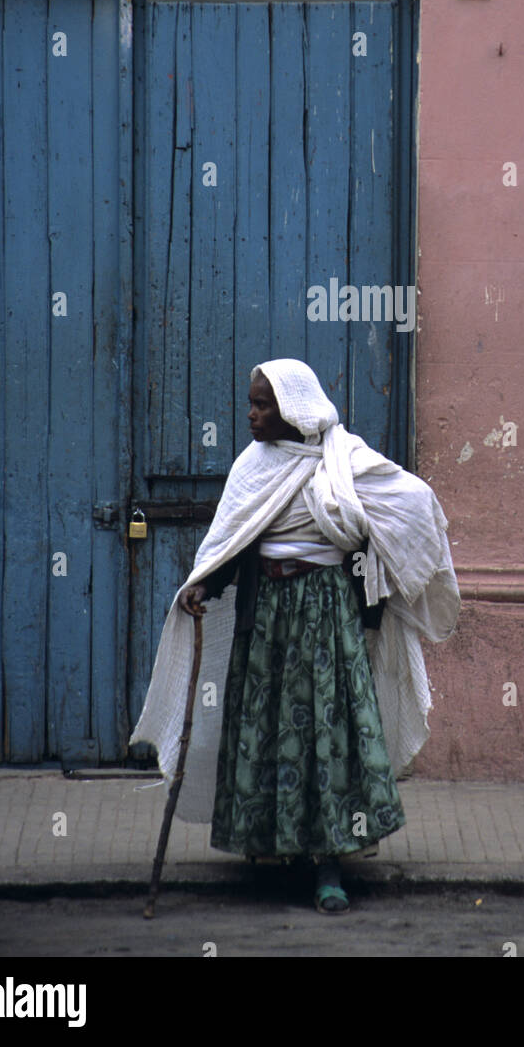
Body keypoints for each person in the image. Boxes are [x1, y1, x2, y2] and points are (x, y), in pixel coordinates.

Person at [131, 357, 459, 914]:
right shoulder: (252, 467)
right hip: (267, 621)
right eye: (252, 404)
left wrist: (385, 578)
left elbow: (410, 507)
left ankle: (329, 865)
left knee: (326, 732)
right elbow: (236, 538)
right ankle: (274, 848)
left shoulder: (345, 462)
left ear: (294, 410)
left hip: (328, 617)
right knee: (270, 726)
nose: (253, 416)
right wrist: (205, 586)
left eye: (263, 405)